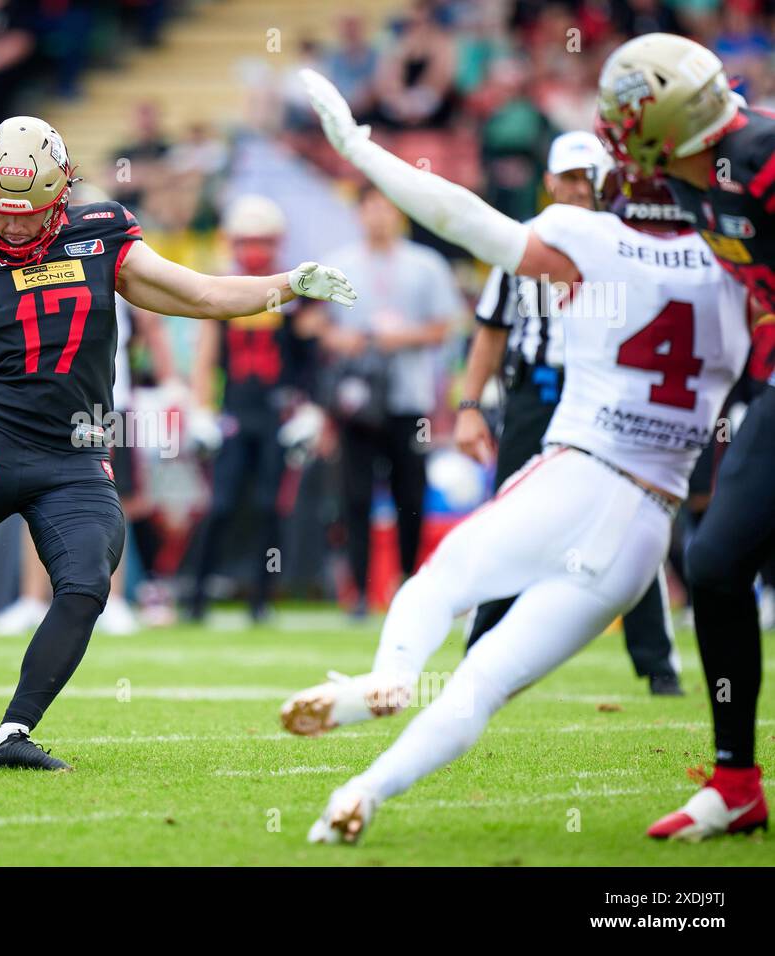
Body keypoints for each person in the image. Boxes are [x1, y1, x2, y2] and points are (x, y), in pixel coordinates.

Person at [282, 68, 751, 845]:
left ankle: (392, 673)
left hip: (577, 473)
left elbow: (463, 216)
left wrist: (362, 150)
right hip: (645, 528)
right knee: (486, 683)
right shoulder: (739, 267)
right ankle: (364, 788)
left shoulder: (587, 236)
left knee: (442, 584)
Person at [0, 115, 356, 770]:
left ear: (62, 198)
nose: (10, 228)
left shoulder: (101, 238)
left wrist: (286, 286)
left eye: (27, 214)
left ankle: (10, 735)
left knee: (88, 582)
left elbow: (202, 294)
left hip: (75, 460)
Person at [596, 33, 775, 840]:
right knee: (713, 563)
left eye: (628, 118)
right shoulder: (688, 179)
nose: (617, 134)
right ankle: (737, 779)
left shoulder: (764, 157)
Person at [457, 130, 683, 696]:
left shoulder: (625, 242)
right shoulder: (524, 244)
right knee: (509, 520)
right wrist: (467, 406)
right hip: (535, 396)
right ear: (551, 182)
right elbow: (491, 331)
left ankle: (657, 666)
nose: (581, 189)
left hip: (605, 398)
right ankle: (479, 654)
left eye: (590, 178)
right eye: (572, 178)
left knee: (628, 519)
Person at [320, 184, 456, 616]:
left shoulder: (425, 265)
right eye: (370, 208)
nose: (378, 216)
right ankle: (357, 591)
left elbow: (444, 327)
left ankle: (410, 587)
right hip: (357, 400)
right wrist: (347, 340)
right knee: (355, 495)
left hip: (408, 397)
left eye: (386, 208)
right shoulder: (341, 264)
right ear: (359, 214)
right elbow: (318, 326)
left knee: (410, 495)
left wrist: (403, 336)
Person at [187, 195, 322, 622]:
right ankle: (195, 595)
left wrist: (311, 409)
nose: (255, 249)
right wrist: (200, 409)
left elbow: (314, 358)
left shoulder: (296, 295)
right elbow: (206, 357)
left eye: (262, 240)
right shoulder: (224, 290)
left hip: (276, 417)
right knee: (221, 505)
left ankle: (262, 599)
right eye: (248, 240)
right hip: (233, 415)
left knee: (268, 506)